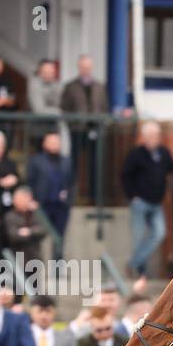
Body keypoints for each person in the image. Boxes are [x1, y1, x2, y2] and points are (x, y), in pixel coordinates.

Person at [121, 121, 173, 285]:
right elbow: (125, 175)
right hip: (140, 202)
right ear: (144, 137)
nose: (154, 138)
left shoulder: (163, 153)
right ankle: (140, 271)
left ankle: (133, 263)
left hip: (156, 202)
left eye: (156, 135)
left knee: (159, 233)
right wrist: (133, 196)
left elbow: (172, 170)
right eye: (150, 135)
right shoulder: (136, 154)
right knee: (138, 237)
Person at [59, 54, 110, 198]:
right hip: (77, 130)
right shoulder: (70, 86)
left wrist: (101, 124)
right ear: (79, 67)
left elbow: (105, 107)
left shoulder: (99, 86)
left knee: (95, 163)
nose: (86, 69)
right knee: (74, 163)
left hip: (95, 130)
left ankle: (94, 195)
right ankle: (73, 194)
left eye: (88, 67)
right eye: (83, 67)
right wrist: (72, 123)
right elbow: (65, 108)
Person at [25, 131, 73, 255]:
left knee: (59, 238)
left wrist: (69, 199)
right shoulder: (36, 161)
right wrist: (31, 201)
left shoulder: (66, 161)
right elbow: (30, 182)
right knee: (38, 236)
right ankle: (33, 268)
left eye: (57, 142)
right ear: (44, 144)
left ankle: (57, 270)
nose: (54, 145)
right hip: (42, 206)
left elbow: (72, 182)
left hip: (61, 206)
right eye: (51, 142)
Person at [27, 58, 65, 153]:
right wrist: (59, 112)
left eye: (52, 71)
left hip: (54, 130)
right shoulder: (34, 84)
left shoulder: (57, 85)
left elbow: (61, 103)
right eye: (46, 71)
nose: (49, 74)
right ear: (40, 72)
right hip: (38, 132)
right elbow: (39, 110)